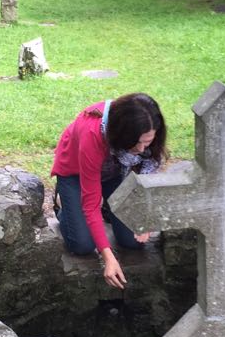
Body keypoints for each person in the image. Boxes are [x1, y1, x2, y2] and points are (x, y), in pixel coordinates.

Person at [51, 93, 167, 289]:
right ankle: (66, 207)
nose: (141, 148)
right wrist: (109, 258)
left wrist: (145, 217)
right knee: (83, 245)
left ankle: (106, 209)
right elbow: (90, 204)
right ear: (121, 135)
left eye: (147, 142)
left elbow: (147, 177)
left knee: (133, 241)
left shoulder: (144, 128)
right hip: (76, 173)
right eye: (136, 142)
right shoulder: (92, 134)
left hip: (111, 171)